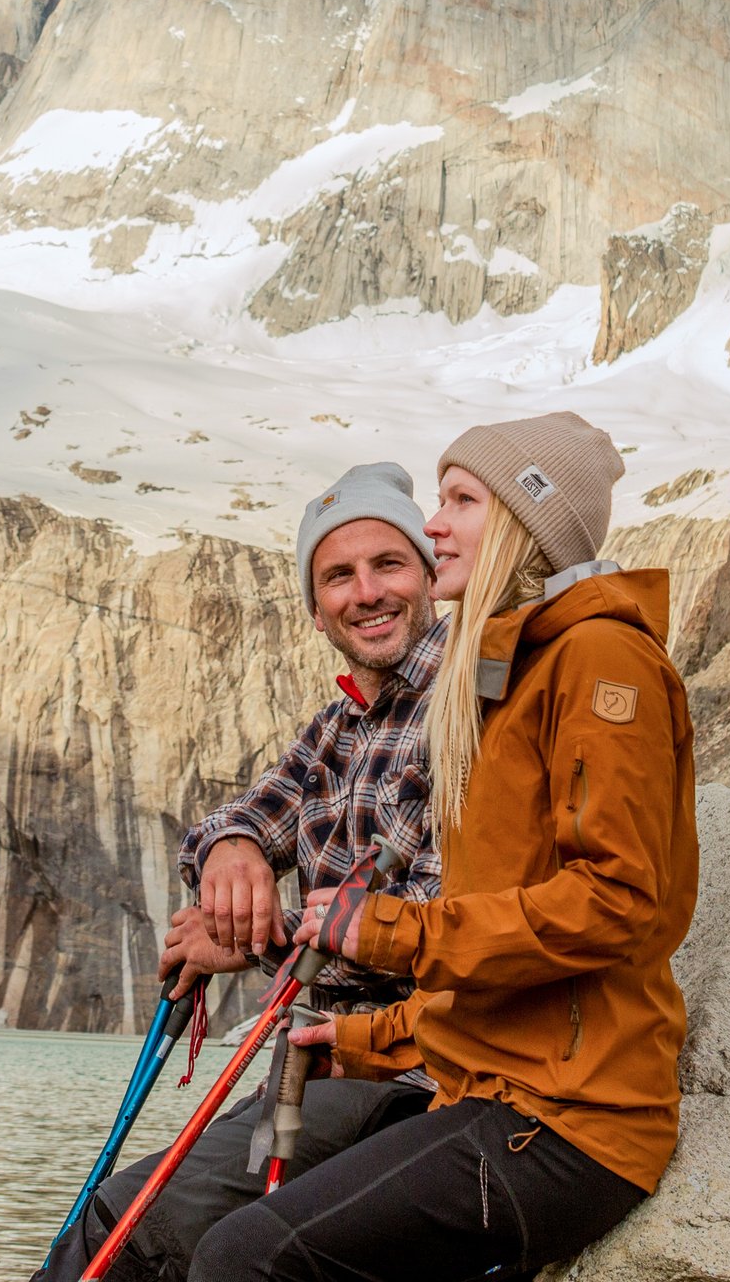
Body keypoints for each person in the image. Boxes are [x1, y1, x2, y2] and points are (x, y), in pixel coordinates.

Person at [192, 411, 697, 1282]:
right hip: (493, 1093)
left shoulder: (600, 659)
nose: (434, 525)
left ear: (525, 517)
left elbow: (616, 903)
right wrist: (368, 1041)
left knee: (244, 1258)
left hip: (569, 1123)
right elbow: (497, 945)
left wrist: (389, 931)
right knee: (242, 1249)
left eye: (462, 500)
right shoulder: (515, 669)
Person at [36, 462, 447, 1282]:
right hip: (315, 1072)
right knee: (148, 1220)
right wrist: (234, 852)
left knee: (138, 1224)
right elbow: (244, 816)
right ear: (315, 609)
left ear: (430, 576)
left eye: (388, 565)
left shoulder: (465, 706)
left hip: (410, 1068)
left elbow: (432, 911)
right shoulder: (337, 729)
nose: (367, 592)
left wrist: (251, 937)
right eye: (338, 576)